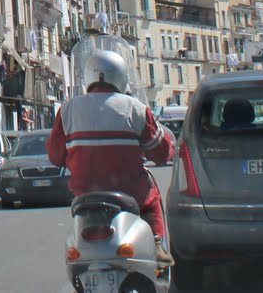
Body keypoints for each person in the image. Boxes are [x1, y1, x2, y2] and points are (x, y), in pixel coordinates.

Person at [47, 49, 175, 265]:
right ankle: (156, 244)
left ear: (88, 76)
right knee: (152, 196)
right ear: (121, 76)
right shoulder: (135, 109)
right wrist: (169, 148)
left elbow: (55, 155)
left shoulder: (67, 110)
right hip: (131, 194)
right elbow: (161, 153)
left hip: (84, 194)